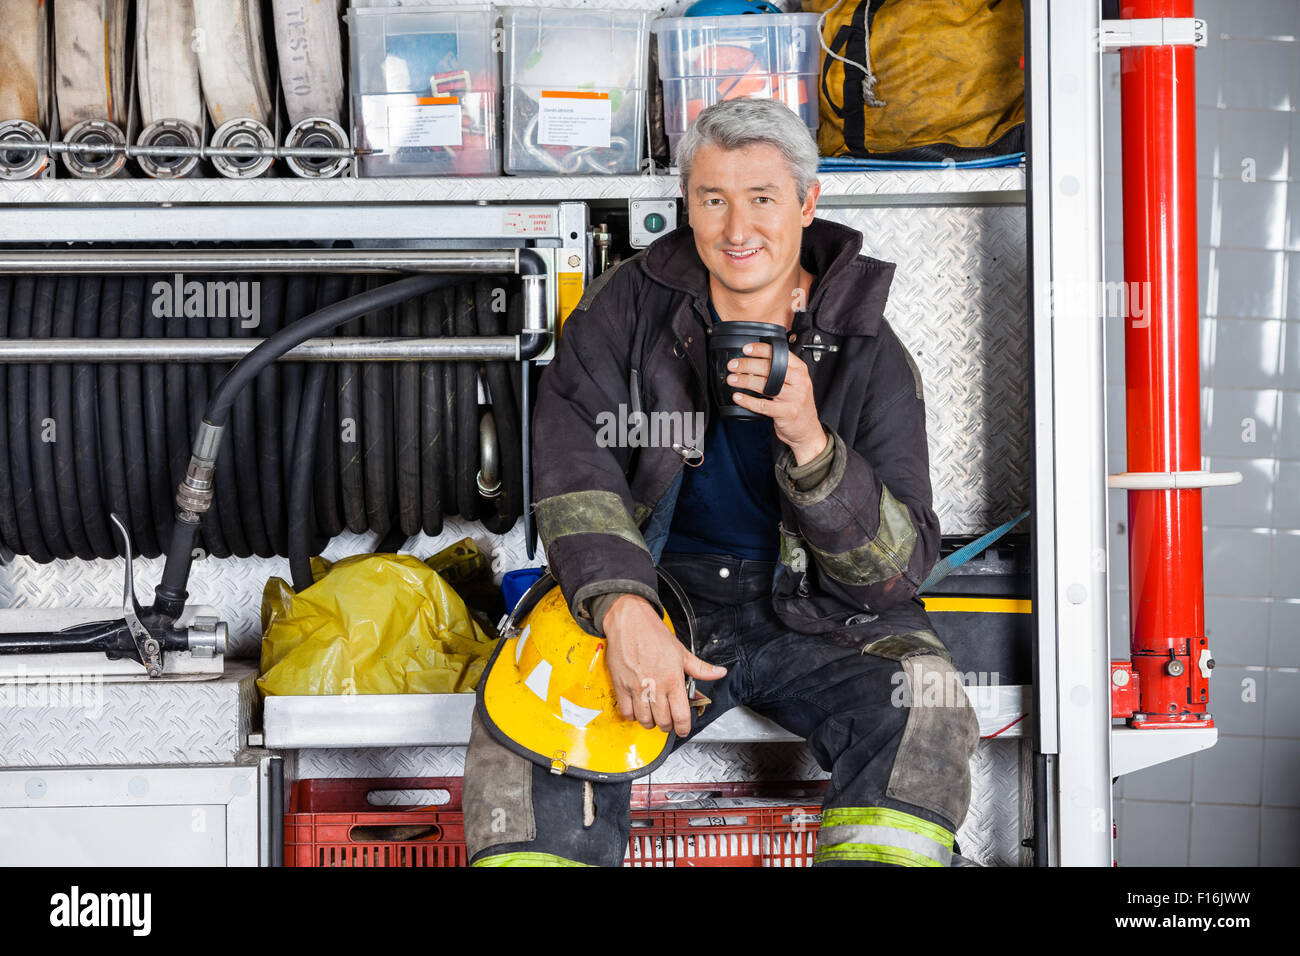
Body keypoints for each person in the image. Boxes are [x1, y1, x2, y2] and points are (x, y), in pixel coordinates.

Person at [464, 98, 979, 867]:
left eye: (763, 199)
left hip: (822, 619)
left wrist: (811, 443)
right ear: (688, 205)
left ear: (808, 202)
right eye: (712, 200)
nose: (737, 231)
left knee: (926, 708)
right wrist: (624, 608)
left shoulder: (869, 351)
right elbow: (575, 470)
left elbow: (894, 573)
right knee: (528, 730)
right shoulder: (626, 309)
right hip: (662, 600)